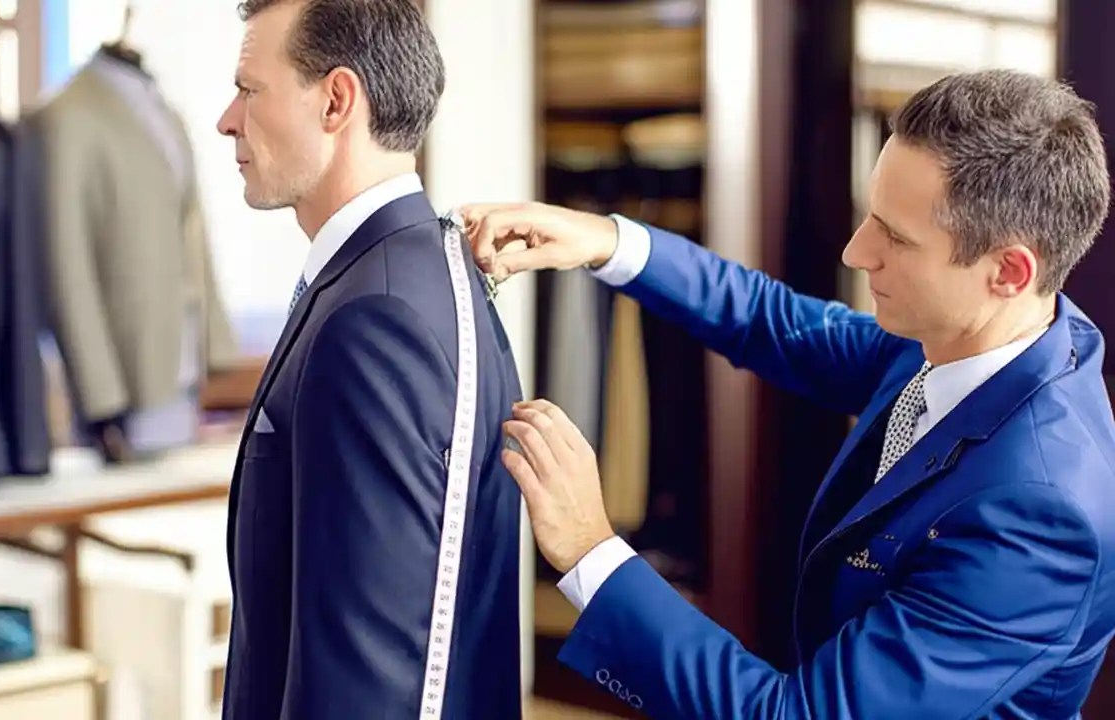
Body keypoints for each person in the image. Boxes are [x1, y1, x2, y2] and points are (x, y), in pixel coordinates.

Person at [463, 69, 1115, 718]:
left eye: (896, 237)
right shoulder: (985, 335)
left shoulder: (1038, 514)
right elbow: (775, 324)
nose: (857, 252)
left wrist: (588, 549)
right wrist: (607, 242)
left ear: (1008, 271)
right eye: (872, 217)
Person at [215, 1, 524, 718]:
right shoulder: (417, 271)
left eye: (250, 90)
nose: (228, 120)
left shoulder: (373, 321)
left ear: (336, 101)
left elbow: (369, 672)